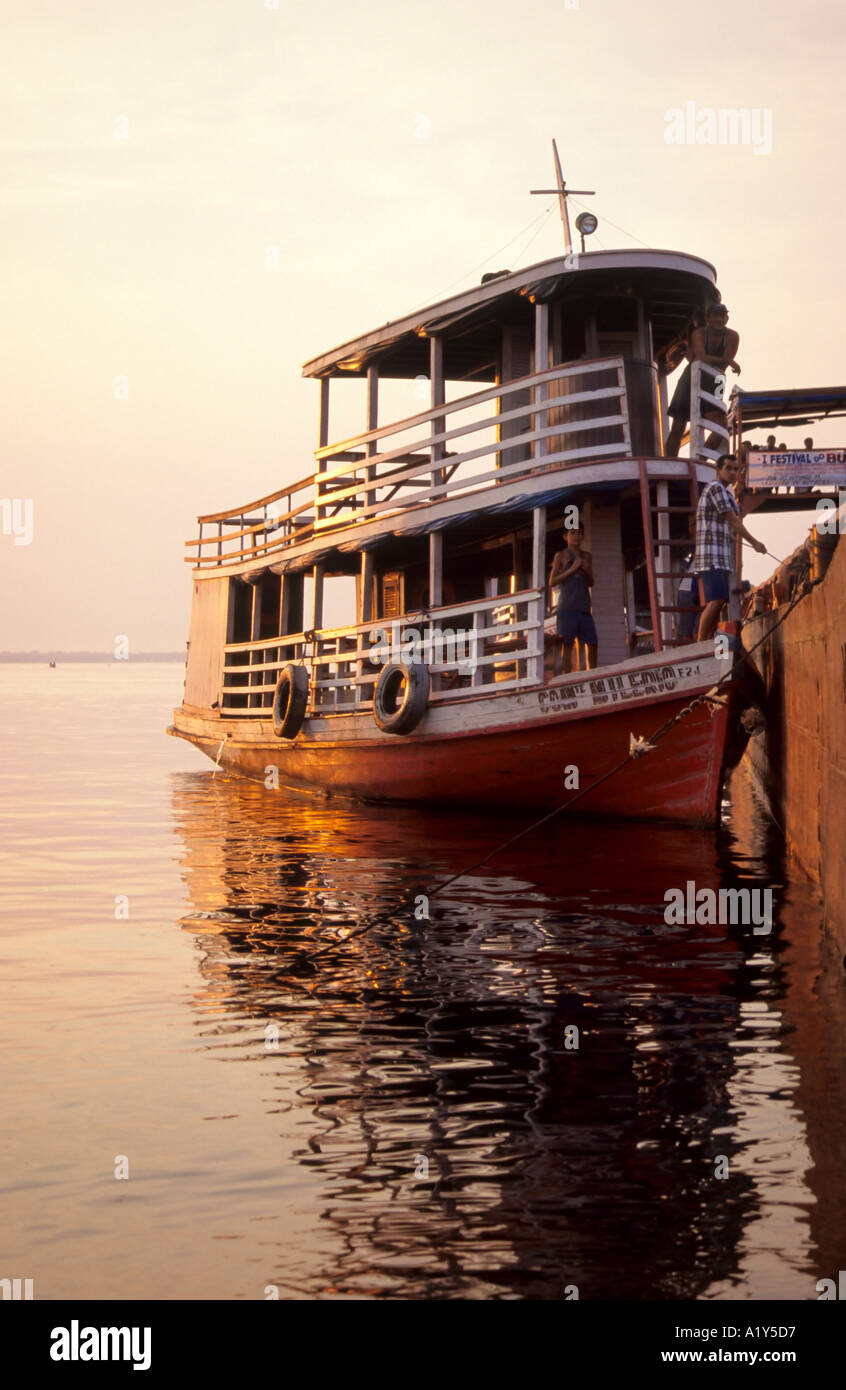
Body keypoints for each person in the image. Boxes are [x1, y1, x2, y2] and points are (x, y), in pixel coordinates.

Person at [694, 455, 766, 641]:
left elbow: (727, 524)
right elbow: (733, 520)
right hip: (711, 556)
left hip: (721, 556)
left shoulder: (726, 493)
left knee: (721, 601)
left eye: (736, 469)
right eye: (728, 468)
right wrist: (755, 542)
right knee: (715, 601)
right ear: (718, 470)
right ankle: (701, 644)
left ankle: (708, 642)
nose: (733, 472)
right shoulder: (716, 488)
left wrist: (732, 536)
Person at [665, 303, 740, 458]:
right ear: (708, 318)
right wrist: (726, 361)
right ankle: (669, 462)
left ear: (726, 318)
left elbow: (724, 361)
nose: (719, 320)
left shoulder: (733, 336)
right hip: (691, 376)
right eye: (715, 316)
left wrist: (725, 361)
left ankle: (700, 460)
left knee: (721, 427)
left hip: (717, 380)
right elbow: (700, 358)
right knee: (678, 426)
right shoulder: (699, 333)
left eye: (722, 316)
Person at [549, 523, 597, 674]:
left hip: (583, 608)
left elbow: (591, 582)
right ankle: (567, 678)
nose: (576, 537)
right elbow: (552, 581)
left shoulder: (587, 556)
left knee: (593, 642)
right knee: (567, 645)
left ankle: (593, 674)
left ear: (583, 535)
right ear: (565, 537)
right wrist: (572, 569)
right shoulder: (561, 556)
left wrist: (587, 570)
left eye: (579, 533)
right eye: (572, 533)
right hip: (566, 609)